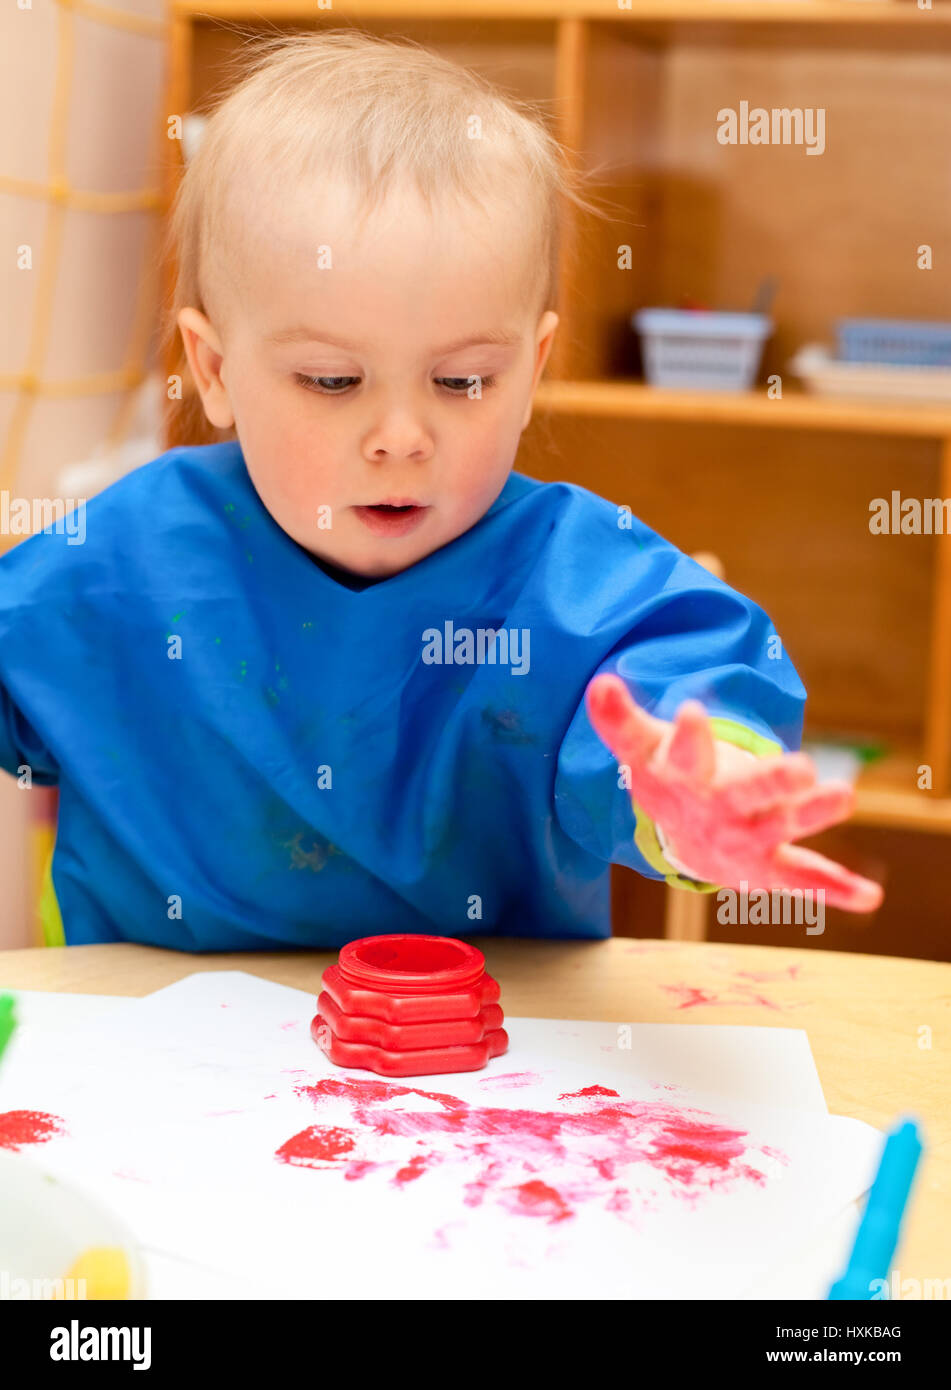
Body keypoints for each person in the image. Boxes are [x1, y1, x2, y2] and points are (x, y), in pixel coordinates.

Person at [0, 31, 882, 950]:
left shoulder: (577, 580)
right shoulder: (119, 561)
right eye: (332, 382)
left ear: (533, 366)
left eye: (461, 382)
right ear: (214, 369)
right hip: (160, 1062)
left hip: (494, 1065)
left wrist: (698, 797)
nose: (401, 439)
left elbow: (684, 703)